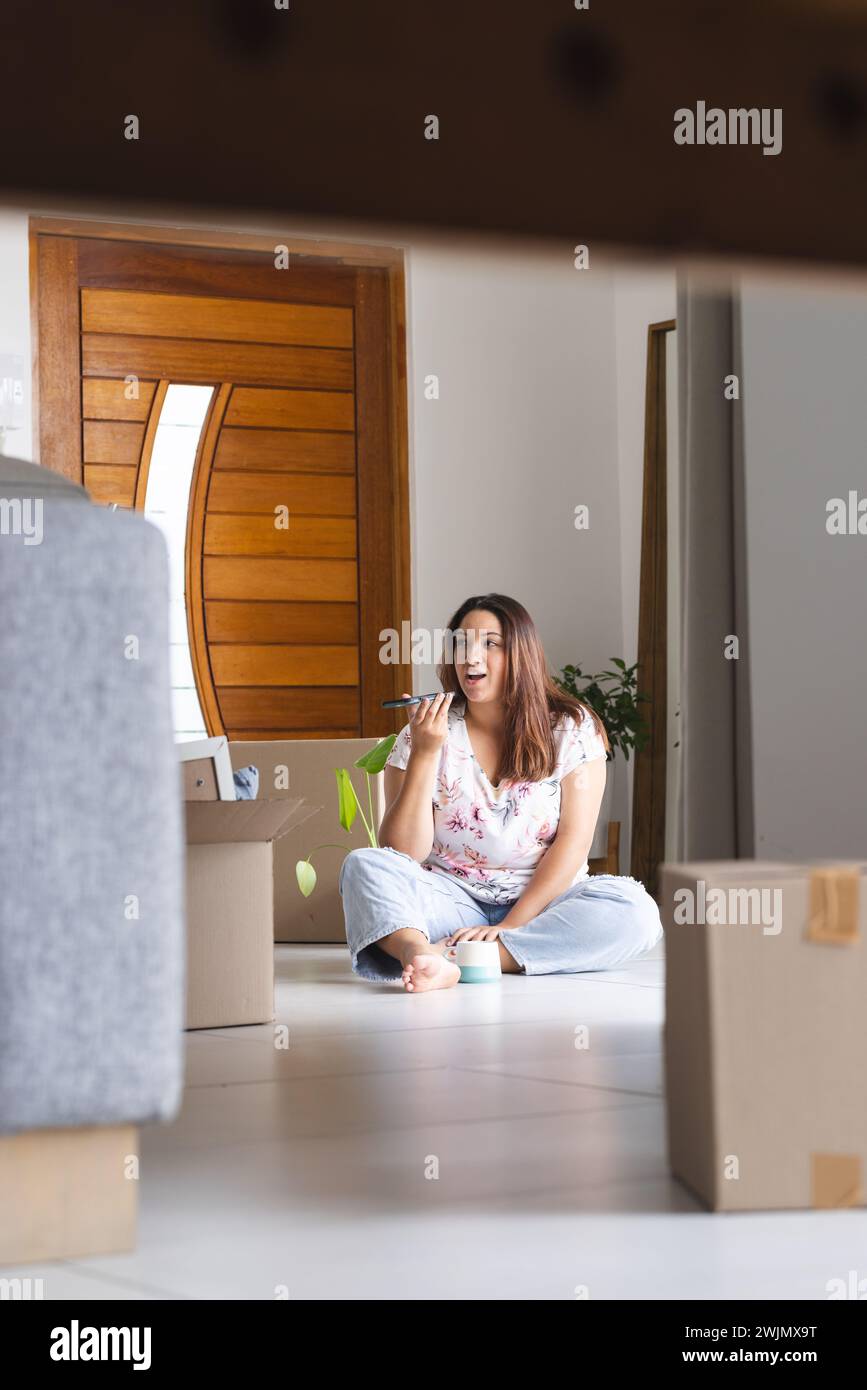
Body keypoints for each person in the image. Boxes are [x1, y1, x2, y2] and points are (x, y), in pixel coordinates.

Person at [339, 593, 663, 992]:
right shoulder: (422, 734)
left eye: (490, 644)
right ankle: (417, 954)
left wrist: (511, 926)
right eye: (461, 643)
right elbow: (404, 853)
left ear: (521, 654)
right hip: (451, 901)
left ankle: (462, 958)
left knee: (636, 911)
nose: (471, 657)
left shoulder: (571, 729)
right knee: (365, 865)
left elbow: (574, 843)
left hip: (545, 904)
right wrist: (424, 753)